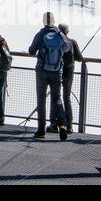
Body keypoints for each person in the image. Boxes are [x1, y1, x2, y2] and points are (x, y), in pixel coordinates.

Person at [28, 12, 72, 140]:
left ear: (43, 21)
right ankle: (62, 125)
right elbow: (67, 49)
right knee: (57, 98)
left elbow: (32, 51)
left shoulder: (41, 34)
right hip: (57, 71)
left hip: (42, 71)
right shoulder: (60, 34)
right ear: (53, 21)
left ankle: (41, 131)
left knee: (41, 100)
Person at [55, 22, 83, 133]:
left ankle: (54, 123)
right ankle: (69, 125)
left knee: (56, 97)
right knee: (66, 97)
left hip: (57, 71)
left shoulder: (56, 42)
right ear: (67, 32)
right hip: (69, 72)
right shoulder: (72, 42)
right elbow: (80, 58)